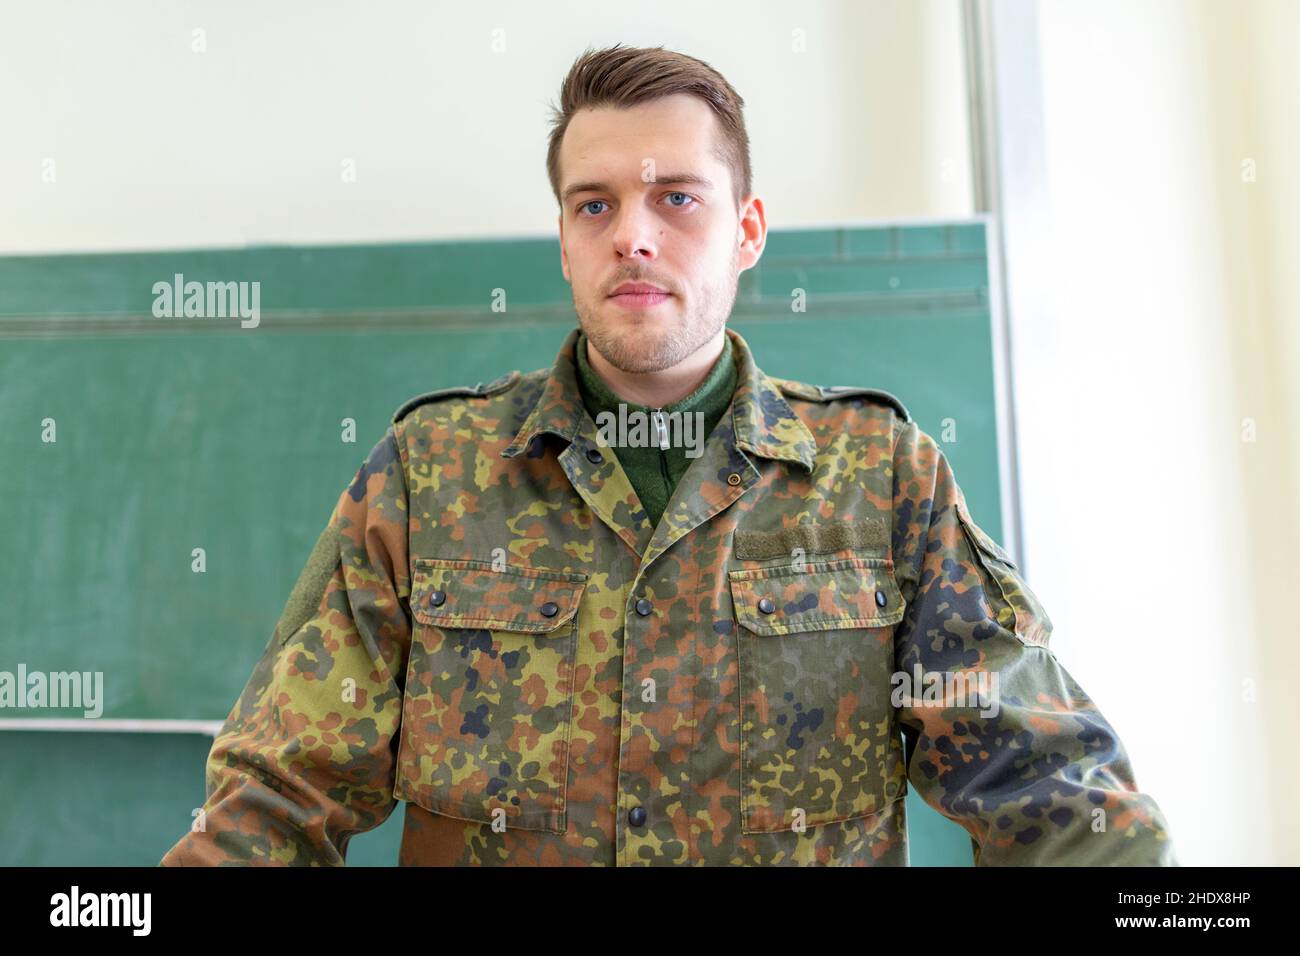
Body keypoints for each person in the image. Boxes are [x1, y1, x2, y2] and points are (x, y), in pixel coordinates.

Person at [160, 44, 1177, 866]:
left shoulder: (883, 480)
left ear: (747, 230)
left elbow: (1050, 796)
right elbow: (276, 800)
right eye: (593, 204)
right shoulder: (430, 475)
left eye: (677, 198)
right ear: (562, 241)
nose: (631, 237)